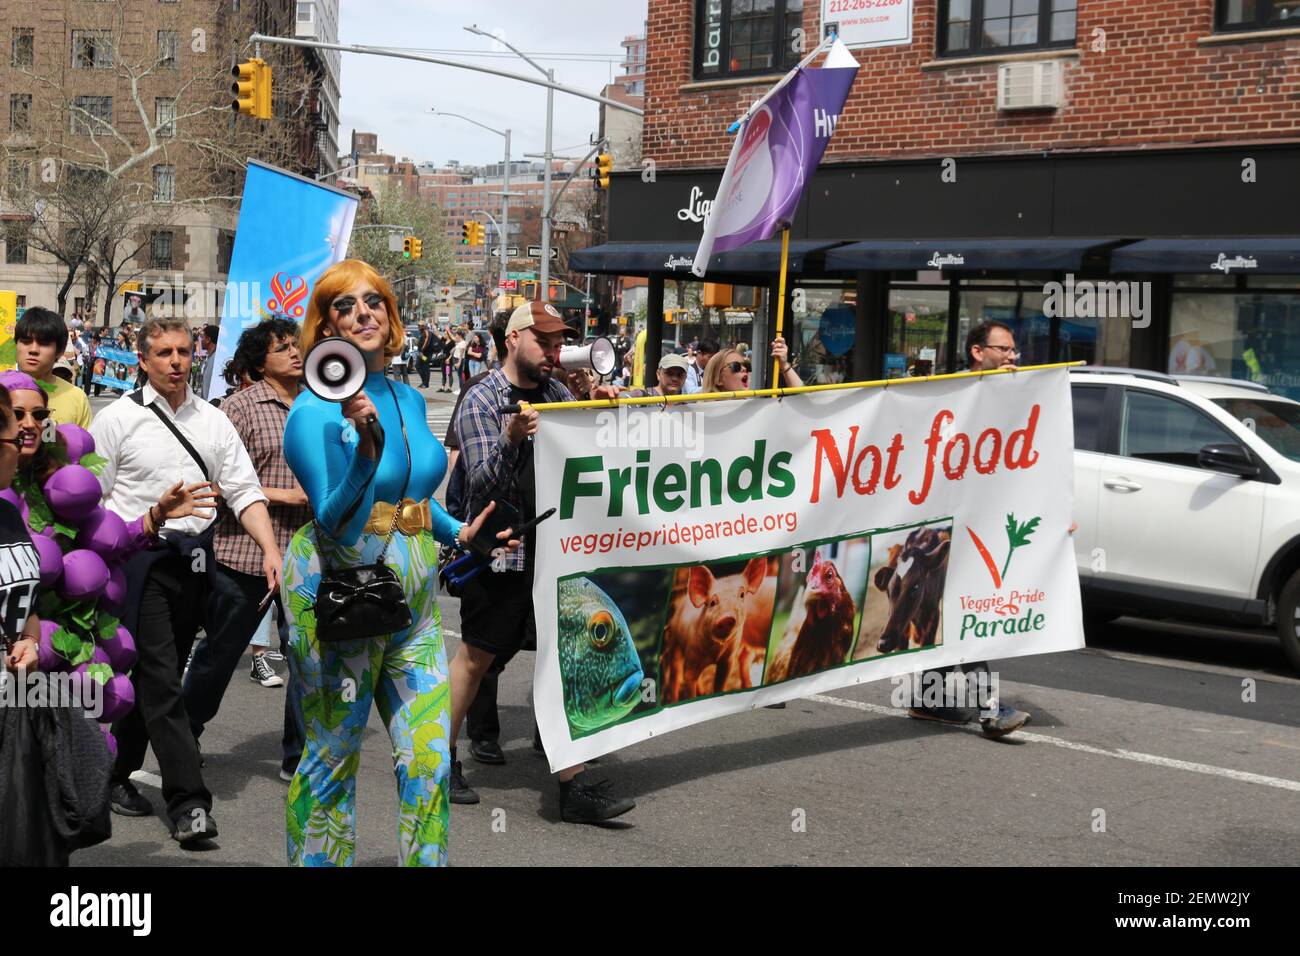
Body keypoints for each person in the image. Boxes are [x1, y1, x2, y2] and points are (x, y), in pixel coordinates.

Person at [279, 259, 515, 867]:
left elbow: (404, 504)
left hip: (411, 600)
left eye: (374, 301)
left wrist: (463, 532)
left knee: (431, 756)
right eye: (344, 305)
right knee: (333, 756)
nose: (363, 312)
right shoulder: (313, 412)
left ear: (390, 314)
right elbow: (336, 520)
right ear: (324, 327)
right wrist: (365, 452)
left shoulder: (409, 397)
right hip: (336, 592)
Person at [91, 317, 283, 843]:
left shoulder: (213, 422)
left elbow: (243, 491)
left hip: (197, 564)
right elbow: (93, 500)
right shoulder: (118, 420)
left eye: (183, 352)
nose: (177, 361)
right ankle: (189, 803)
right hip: (141, 560)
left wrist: (270, 549)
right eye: (165, 353)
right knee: (162, 679)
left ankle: (111, 775)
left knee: (159, 672)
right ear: (144, 361)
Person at [450, 300, 635, 823]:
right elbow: (479, 489)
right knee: (477, 657)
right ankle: (435, 762)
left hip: (555, 551)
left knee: (561, 653)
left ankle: (572, 787)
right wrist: (511, 441)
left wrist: (604, 412)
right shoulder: (481, 398)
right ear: (513, 340)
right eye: (545, 342)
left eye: (559, 344)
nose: (555, 353)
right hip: (502, 553)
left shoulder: (556, 393)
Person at [182, 319, 311, 785]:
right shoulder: (238, 409)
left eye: (297, 344)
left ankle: (298, 757)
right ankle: (186, 732)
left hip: (307, 555)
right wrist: (287, 495)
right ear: (260, 362)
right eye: (282, 347)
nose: (295, 352)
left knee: (305, 657)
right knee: (220, 653)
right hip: (244, 555)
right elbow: (213, 485)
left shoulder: (319, 403)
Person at [906, 320, 1032, 738]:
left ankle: (928, 700)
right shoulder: (953, 393)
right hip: (946, 525)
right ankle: (990, 708)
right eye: (1004, 349)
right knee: (964, 610)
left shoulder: (1006, 392)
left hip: (979, 522)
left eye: (1015, 350)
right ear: (978, 352)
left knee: (953, 611)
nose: (1012, 357)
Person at [13, 308, 92, 428]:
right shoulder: (3, 390)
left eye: (43, 343)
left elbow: (86, 445)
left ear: (60, 351)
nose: (33, 350)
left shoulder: (77, 398)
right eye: (26, 341)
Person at [198, 324, 219, 399]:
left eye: (202, 337)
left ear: (208, 340)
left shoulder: (217, 360)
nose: (200, 341)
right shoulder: (207, 357)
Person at [416, 319, 435, 389]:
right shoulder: (422, 332)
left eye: (419, 325)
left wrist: (422, 351)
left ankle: (426, 383)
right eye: (418, 325)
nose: (418, 327)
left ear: (423, 326)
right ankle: (424, 382)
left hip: (425, 354)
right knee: (418, 366)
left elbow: (427, 342)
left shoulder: (427, 332)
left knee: (425, 367)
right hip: (421, 353)